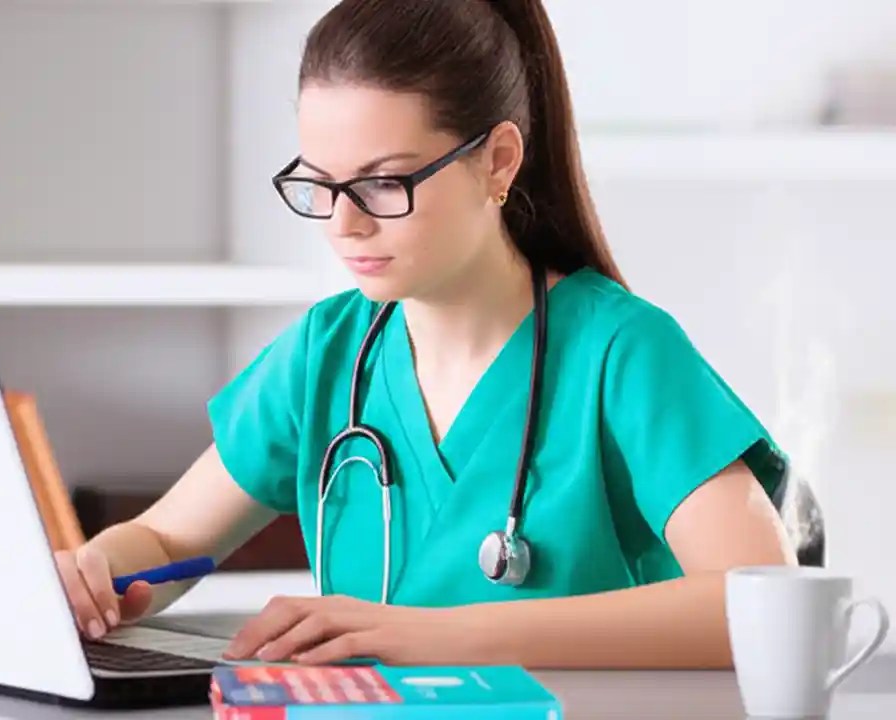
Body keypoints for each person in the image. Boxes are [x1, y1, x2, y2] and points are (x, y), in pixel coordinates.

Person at [54, 0, 797, 669]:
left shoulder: (620, 352)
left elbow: (761, 605)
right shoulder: (328, 353)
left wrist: (440, 634)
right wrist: (98, 572)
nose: (345, 224)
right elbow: (167, 544)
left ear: (498, 161)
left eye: (384, 183)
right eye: (322, 184)